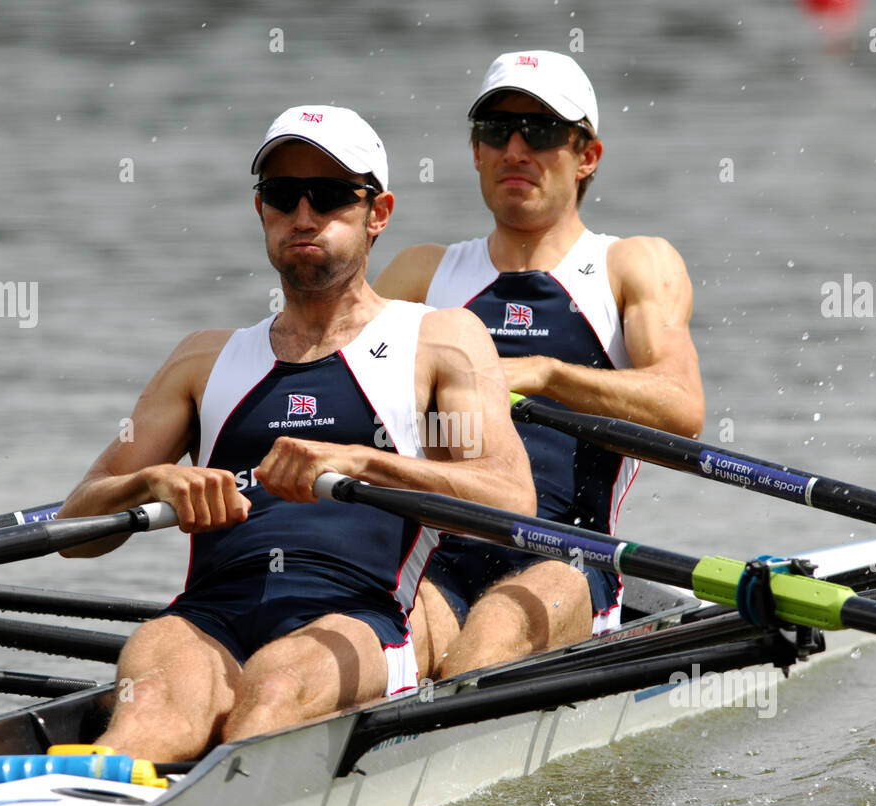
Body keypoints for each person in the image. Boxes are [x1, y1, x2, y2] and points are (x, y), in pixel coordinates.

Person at [57, 105, 533, 762]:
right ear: (261, 212)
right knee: (146, 720)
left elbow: (509, 503)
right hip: (207, 617)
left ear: (379, 213)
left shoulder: (440, 340)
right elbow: (73, 532)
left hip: (359, 619)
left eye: (332, 196)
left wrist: (360, 465)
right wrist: (150, 480)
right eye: (284, 196)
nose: (304, 216)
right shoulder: (202, 358)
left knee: (273, 696)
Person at [374, 51, 704, 678]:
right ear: (476, 151)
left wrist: (545, 375)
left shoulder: (630, 265)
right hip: (434, 560)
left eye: (543, 131)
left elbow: (683, 409)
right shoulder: (422, 274)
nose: (516, 149)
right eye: (497, 131)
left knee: (493, 635)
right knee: (365, 639)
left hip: (568, 563)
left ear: (588, 156)